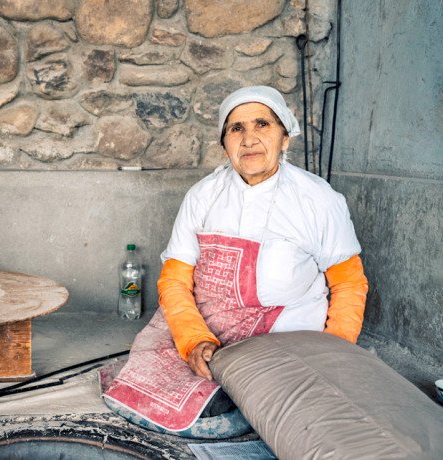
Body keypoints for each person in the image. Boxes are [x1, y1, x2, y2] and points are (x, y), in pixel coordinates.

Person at [103, 86, 369, 433]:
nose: (249, 139)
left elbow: (349, 284)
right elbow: (174, 281)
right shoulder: (202, 197)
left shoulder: (318, 199)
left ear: (285, 138)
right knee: (143, 394)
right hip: (207, 332)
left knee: (275, 412)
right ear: (224, 144)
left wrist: (333, 355)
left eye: (263, 125)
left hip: (285, 342)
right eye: (236, 129)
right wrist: (194, 341)